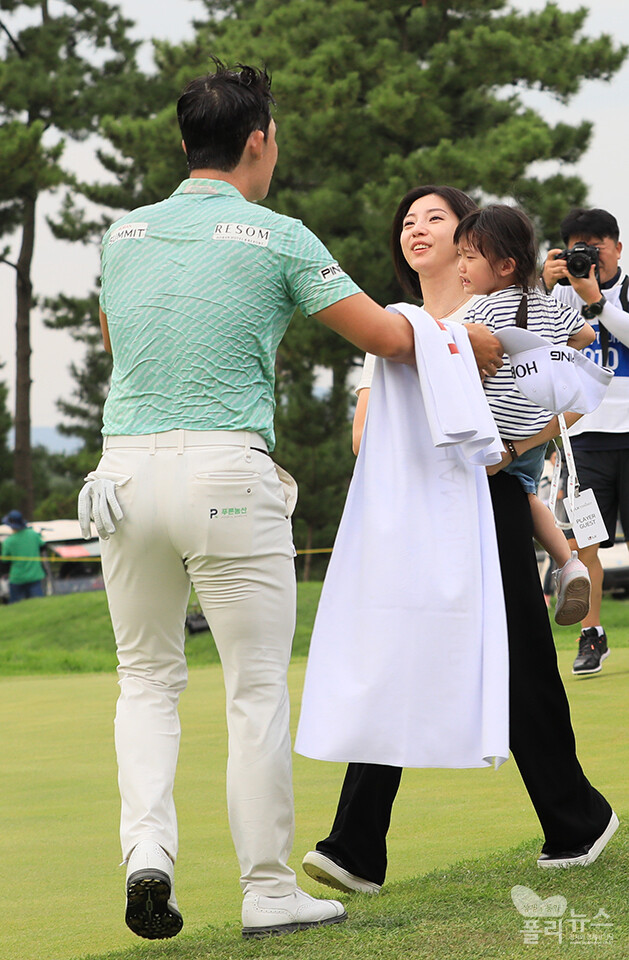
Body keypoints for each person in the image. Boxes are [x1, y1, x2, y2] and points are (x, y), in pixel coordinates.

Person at [76, 64, 503, 942]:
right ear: (259, 139)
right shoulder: (276, 234)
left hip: (120, 477)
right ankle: (266, 889)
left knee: (146, 681)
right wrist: (474, 338)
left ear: (182, 141)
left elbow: (122, 341)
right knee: (254, 692)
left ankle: (147, 858)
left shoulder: (122, 235)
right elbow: (389, 336)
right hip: (228, 476)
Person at [301, 185, 618, 898]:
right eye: (406, 220)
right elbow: (364, 432)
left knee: (520, 663)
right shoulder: (389, 329)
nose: (416, 229)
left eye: (435, 219)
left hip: (491, 499)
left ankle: (574, 819)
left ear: (471, 238)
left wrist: (509, 446)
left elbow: (564, 389)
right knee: (397, 654)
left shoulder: (501, 315)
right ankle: (357, 848)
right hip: (413, 509)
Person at [455, 204, 593, 626]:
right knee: (529, 493)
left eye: (469, 257)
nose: (460, 266)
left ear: (504, 265)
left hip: (495, 433)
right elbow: (585, 335)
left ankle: (564, 564)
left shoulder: (480, 313)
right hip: (536, 427)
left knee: (521, 496)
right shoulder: (549, 305)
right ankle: (568, 561)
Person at [543, 207, 629, 675]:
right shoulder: (557, 296)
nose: (588, 254)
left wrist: (596, 301)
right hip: (584, 438)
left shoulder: (625, 290)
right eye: (578, 246)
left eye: (596, 244)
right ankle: (591, 636)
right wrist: (543, 283)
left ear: (617, 246)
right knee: (587, 544)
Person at [1, 510, 46, 603]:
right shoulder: (33, 534)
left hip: (17, 578)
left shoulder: (8, 542)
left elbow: (4, 560)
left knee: (16, 607)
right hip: (35, 576)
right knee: (39, 605)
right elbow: (43, 546)